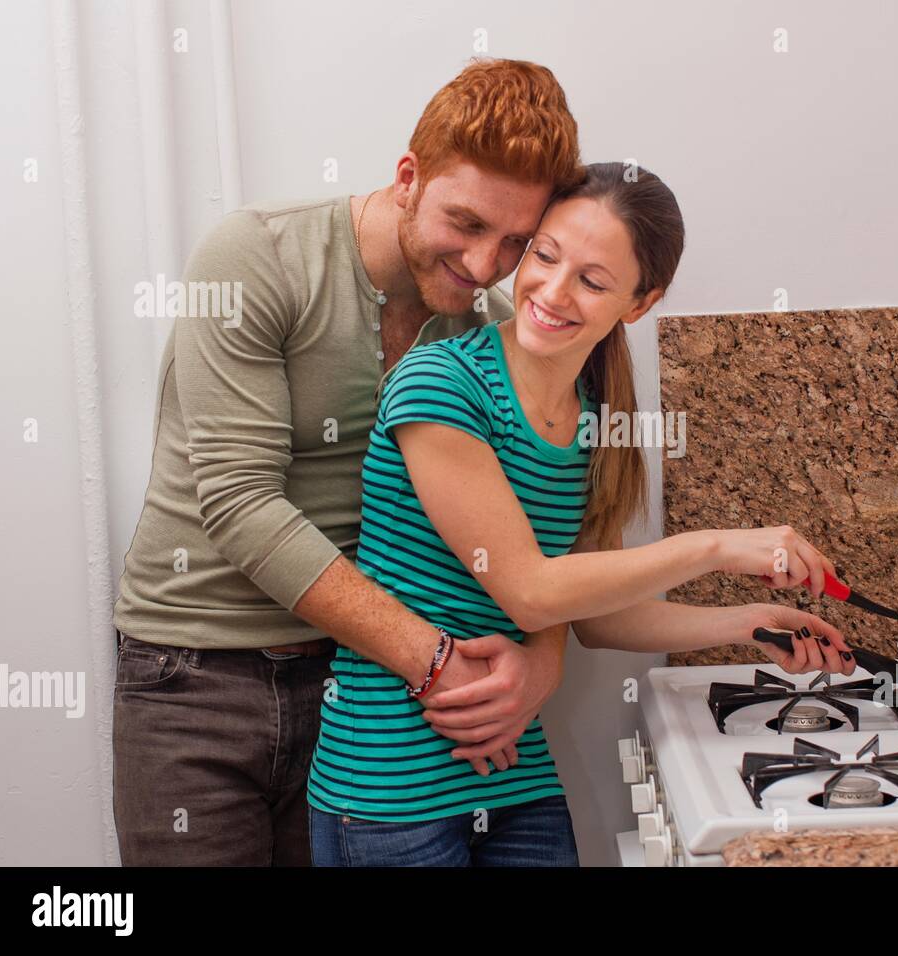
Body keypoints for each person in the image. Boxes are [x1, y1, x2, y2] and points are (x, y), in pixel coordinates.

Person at [306, 162, 854, 867]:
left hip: (512, 772)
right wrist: (717, 546)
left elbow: (594, 616)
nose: (552, 292)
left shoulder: (596, 421)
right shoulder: (441, 384)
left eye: (593, 281)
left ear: (638, 302)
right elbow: (530, 593)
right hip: (387, 790)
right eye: (544, 256)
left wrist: (750, 623)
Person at [110, 58, 586, 865]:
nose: (482, 266)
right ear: (408, 177)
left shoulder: (495, 326)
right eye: (466, 224)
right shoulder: (256, 255)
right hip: (195, 676)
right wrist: (432, 664)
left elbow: (533, 537)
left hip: (364, 695)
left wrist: (543, 661)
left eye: (513, 242)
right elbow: (240, 504)